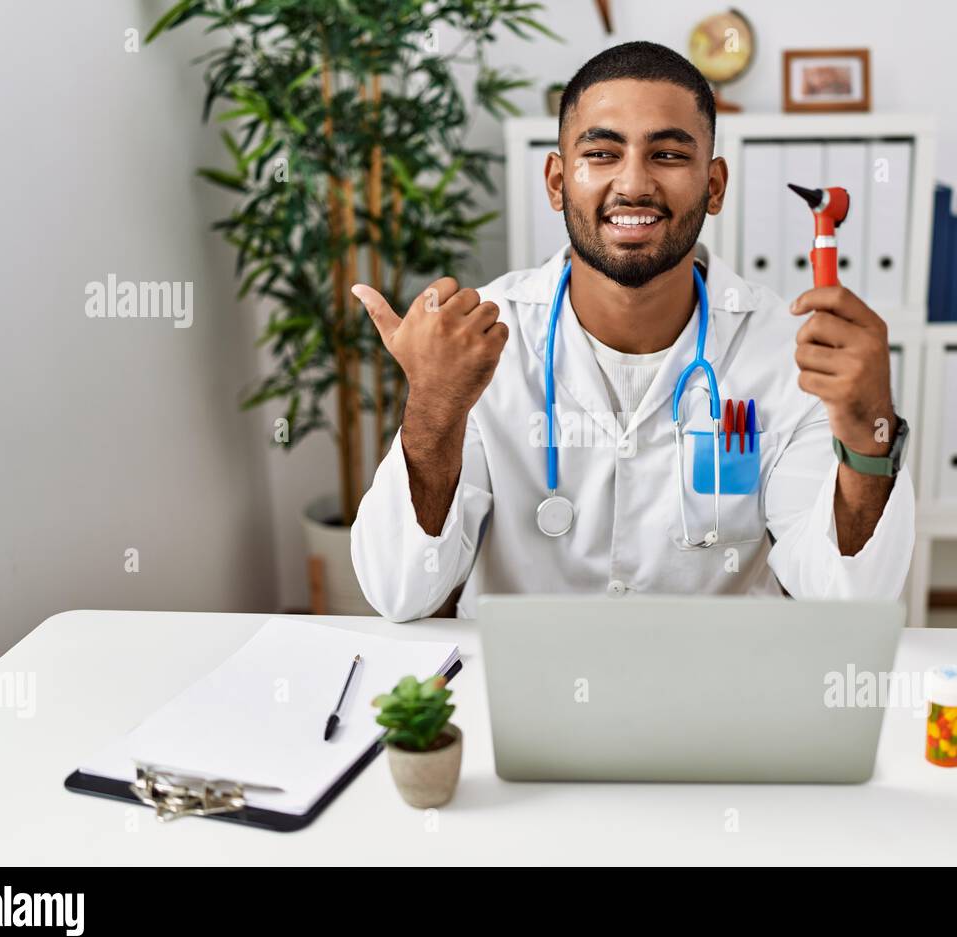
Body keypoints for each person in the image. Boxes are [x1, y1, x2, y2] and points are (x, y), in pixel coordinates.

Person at [349, 41, 913, 622]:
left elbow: (850, 601)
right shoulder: (482, 337)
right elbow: (399, 591)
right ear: (556, 180)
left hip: (721, 689)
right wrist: (433, 406)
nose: (634, 184)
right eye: (601, 153)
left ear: (714, 186)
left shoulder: (791, 351)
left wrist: (871, 433)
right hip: (520, 689)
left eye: (668, 154)